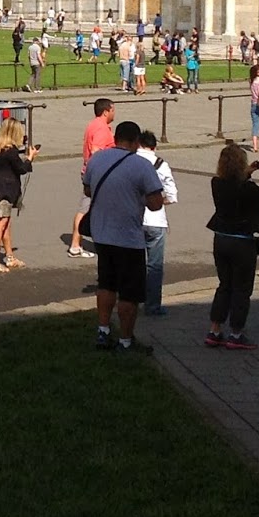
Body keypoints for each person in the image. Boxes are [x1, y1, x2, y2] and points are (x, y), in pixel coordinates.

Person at [81, 121, 165, 351]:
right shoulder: (141, 165)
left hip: (102, 234)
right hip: (129, 238)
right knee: (129, 293)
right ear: (136, 141)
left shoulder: (97, 159)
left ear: (115, 138)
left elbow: (87, 189)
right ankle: (126, 340)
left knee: (106, 285)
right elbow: (156, 204)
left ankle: (103, 329)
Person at [205, 144, 259, 350]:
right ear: (242, 165)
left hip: (221, 238)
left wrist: (247, 172)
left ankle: (214, 330)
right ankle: (236, 333)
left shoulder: (217, 183)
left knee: (224, 285)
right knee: (241, 288)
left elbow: (233, 185)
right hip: (242, 241)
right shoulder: (248, 188)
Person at [0, 117, 35, 274]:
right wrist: (30, 158)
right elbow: (21, 169)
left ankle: (9, 256)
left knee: (5, 222)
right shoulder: (11, 151)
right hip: (4, 190)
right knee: (0, 223)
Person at [137, 130, 178, 316]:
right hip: (156, 219)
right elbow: (172, 195)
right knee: (154, 265)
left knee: (132, 263)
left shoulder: (130, 161)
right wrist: (158, 201)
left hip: (133, 219)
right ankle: (152, 306)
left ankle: (130, 301)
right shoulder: (161, 165)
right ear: (154, 147)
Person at [70, 98, 116, 258]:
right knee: (86, 208)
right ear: (106, 111)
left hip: (91, 172)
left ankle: (97, 241)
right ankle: (76, 244)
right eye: (112, 110)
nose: (114, 113)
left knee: (93, 208)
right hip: (98, 175)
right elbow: (96, 150)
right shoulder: (102, 129)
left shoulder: (93, 125)